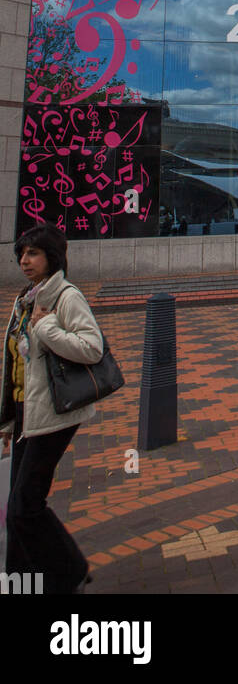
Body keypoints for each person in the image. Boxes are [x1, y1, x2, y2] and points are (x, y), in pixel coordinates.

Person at [0, 225, 103, 594]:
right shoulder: (25, 298)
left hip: (55, 415)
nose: (24, 261)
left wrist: (47, 329)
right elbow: (15, 363)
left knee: (24, 506)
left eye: (33, 253)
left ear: (53, 257)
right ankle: (20, 582)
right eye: (22, 254)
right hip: (28, 412)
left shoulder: (66, 297)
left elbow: (92, 348)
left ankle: (68, 571)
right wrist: (9, 419)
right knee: (17, 506)